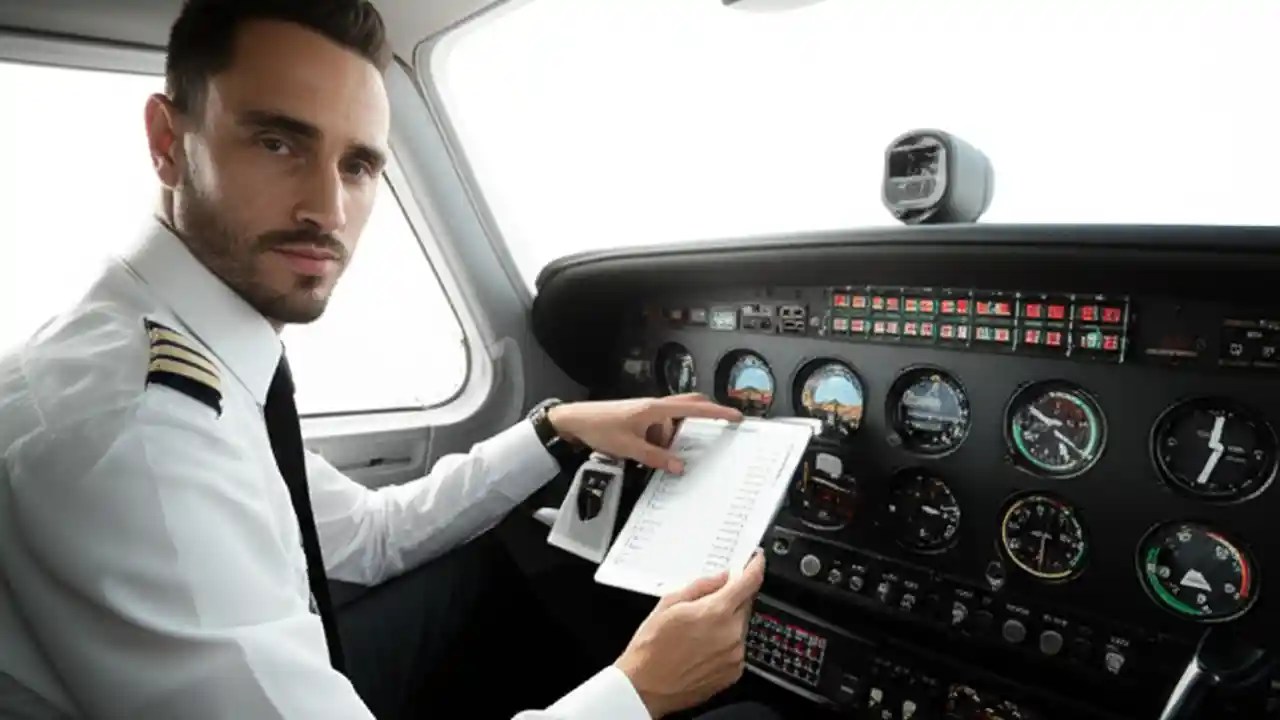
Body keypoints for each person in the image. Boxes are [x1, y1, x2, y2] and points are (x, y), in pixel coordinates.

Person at [0, 1, 784, 718]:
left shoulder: (186, 351)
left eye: (359, 165)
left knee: (487, 575)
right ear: (169, 143)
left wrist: (557, 426)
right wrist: (638, 690)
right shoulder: (136, 435)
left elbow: (370, 536)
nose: (328, 210)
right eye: (279, 142)